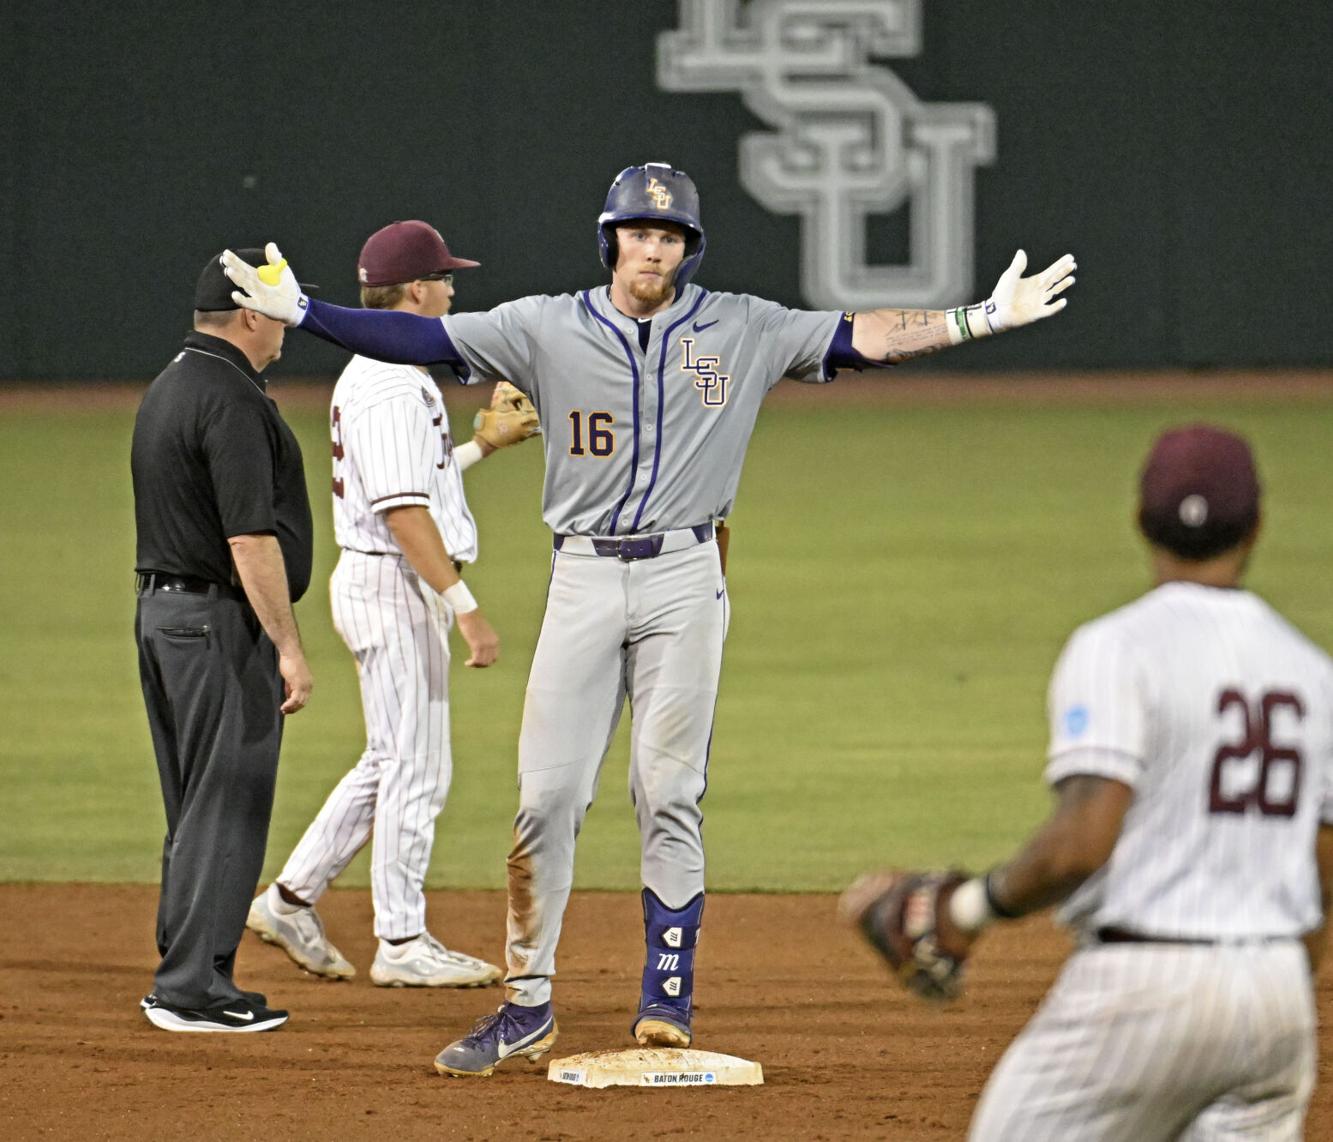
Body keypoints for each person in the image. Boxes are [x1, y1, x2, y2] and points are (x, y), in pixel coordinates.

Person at [220, 162, 1077, 1073]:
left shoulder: (737, 328)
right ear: (612, 239)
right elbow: (415, 337)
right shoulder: (544, 325)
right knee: (545, 797)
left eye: (670, 237)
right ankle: (527, 1003)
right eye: (640, 232)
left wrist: (980, 316)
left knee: (666, 794)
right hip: (582, 579)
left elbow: (860, 334)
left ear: (687, 248)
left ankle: (667, 993)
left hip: (683, 577)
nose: (654, 249)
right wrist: (306, 312)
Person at [842, 424, 1333, 1139]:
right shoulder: (1313, 675)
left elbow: (1081, 841)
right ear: (1255, 525)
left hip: (1140, 989)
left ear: (1139, 520)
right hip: (1274, 998)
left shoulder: (1116, 647)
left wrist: (967, 908)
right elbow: (1325, 875)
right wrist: (1274, 983)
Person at [245, 221, 538, 988]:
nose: (452, 291)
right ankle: (402, 941)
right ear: (415, 291)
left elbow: (416, 483)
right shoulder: (388, 382)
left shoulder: (388, 372)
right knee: (419, 769)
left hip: (388, 579)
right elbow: (403, 512)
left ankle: (288, 899)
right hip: (392, 585)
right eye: (444, 279)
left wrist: (483, 448)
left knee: (390, 760)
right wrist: (464, 604)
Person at [131, 249, 315, 1033]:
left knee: (196, 805)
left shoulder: (174, 382)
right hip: (214, 624)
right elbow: (250, 539)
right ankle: (192, 990)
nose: (287, 330)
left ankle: (182, 971)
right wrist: (288, 644)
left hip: (165, 617)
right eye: (280, 316)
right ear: (248, 317)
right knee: (227, 804)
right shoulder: (232, 397)